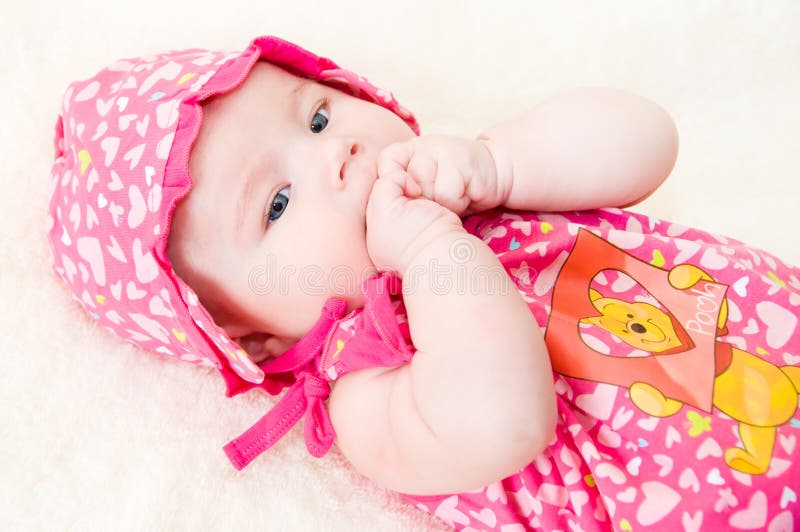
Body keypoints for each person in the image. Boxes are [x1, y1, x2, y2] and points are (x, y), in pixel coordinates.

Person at [47, 35, 800, 530]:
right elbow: (507, 421)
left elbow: (651, 140)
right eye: (276, 203)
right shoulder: (367, 389)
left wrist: (502, 162)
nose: (337, 154)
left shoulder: (477, 183)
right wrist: (434, 252)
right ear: (253, 336)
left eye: (317, 118)